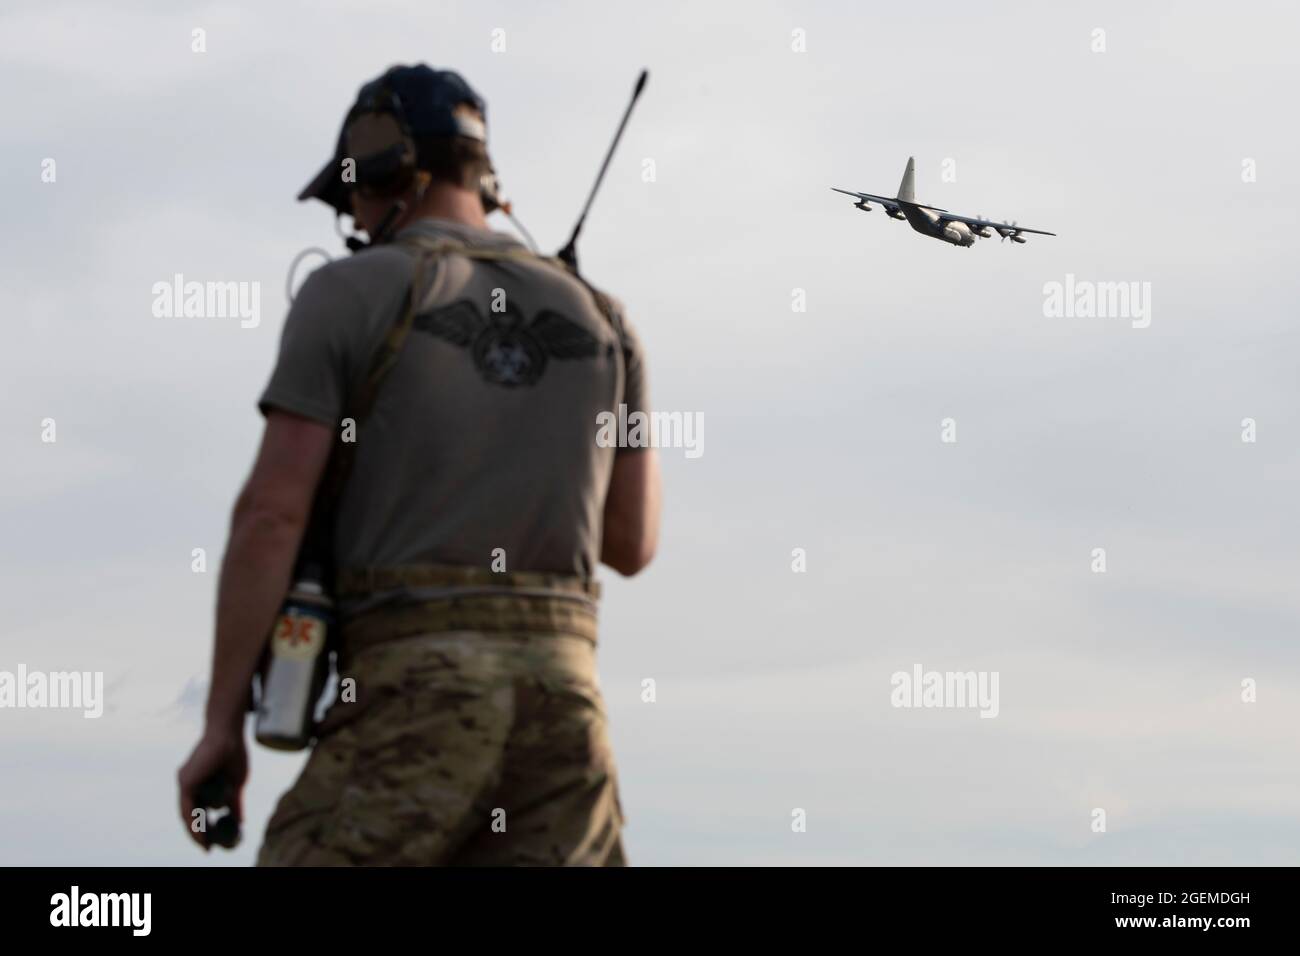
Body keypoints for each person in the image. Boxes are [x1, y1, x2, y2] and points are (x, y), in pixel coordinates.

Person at [177, 63, 660, 865]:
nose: (355, 224)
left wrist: (221, 726)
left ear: (387, 169)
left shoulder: (349, 293)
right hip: (567, 712)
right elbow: (632, 543)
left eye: (352, 198)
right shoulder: (607, 322)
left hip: (412, 689)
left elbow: (272, 514)